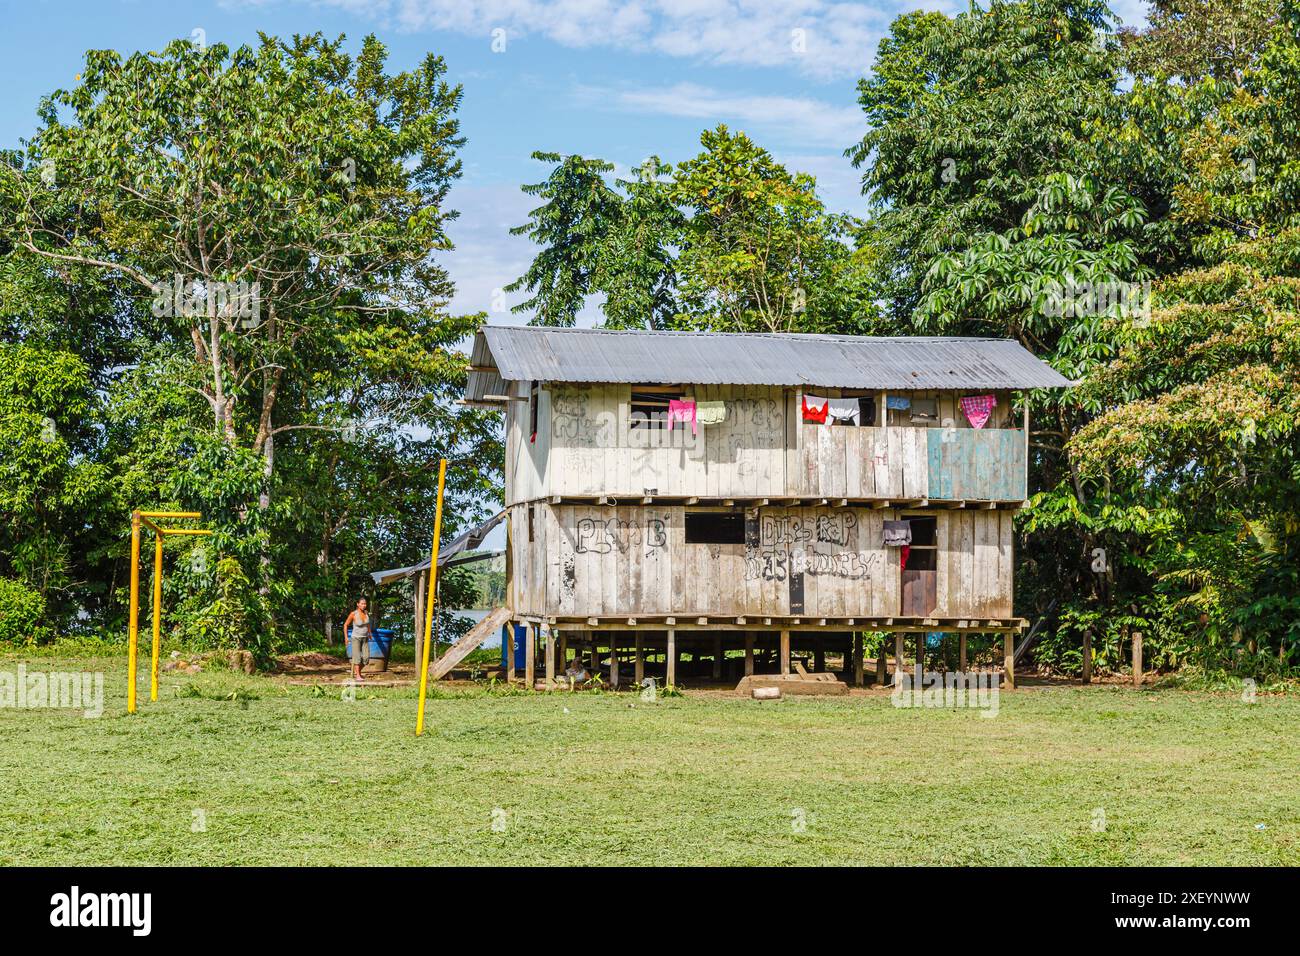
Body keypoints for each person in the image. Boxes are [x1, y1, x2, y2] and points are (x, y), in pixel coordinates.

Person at [344, 598, 372, 682]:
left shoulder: (366, 613)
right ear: (358, 604)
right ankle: (358, 676)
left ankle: (357, 672)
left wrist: (369, 633)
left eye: (365, 604)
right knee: (357, 657)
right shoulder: (353, 614)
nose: (364, 605)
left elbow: (368, 624)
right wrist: (346, 637)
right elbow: (345, 625)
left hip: (365, 637)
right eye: (362, 604)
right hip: (355, 638)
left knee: (366, 658)